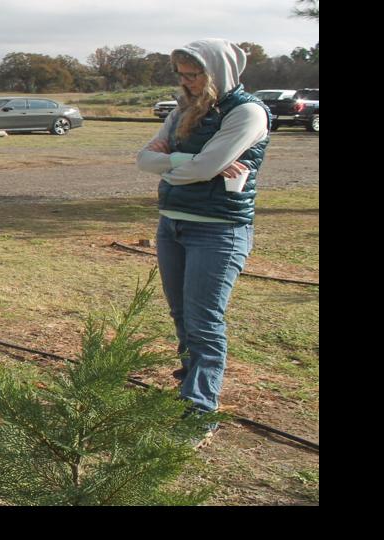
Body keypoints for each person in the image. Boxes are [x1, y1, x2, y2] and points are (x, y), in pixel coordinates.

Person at [134, 39, 270, 445]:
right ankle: (186, 392)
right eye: (182, 74)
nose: (187, 82)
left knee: (204, 323)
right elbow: (144, 159)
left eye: (195, 75)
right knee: (182, 318)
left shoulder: (246, 112)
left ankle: (199, 413)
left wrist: (175, 161)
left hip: (218, 230)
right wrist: (187, 164)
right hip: (172, 224)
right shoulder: (181, 111)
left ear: (219, 72)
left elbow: (206, 166)